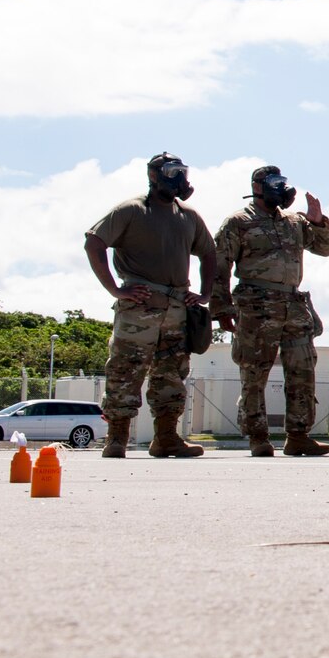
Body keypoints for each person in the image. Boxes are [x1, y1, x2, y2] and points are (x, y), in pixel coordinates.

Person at [84, 153, 217, 459]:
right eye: (172, 172)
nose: (179, 178)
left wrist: (205, 294)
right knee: (125, 371)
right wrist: (115, 289)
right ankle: (116, 439)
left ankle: (167, 439)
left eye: (182, 172)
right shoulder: (132, 210)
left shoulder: (189, 216)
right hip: (139, 308)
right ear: (154, 176)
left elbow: (209, 253)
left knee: (171, 374)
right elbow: (94, 241)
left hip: (176, 308)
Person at [212, 165, 329, 457]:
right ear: (257, 187)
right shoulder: (238, 221)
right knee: (254, 372)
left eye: (282, 182)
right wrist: (221, 308)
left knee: (302, 370)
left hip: (293, 305)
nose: (280, 188)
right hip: (255, 303)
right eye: (273, 182)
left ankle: (298, 435)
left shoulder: (293, 221)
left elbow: (325, 248)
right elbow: (220, 266)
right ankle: (258, 437)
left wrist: (319, 222)